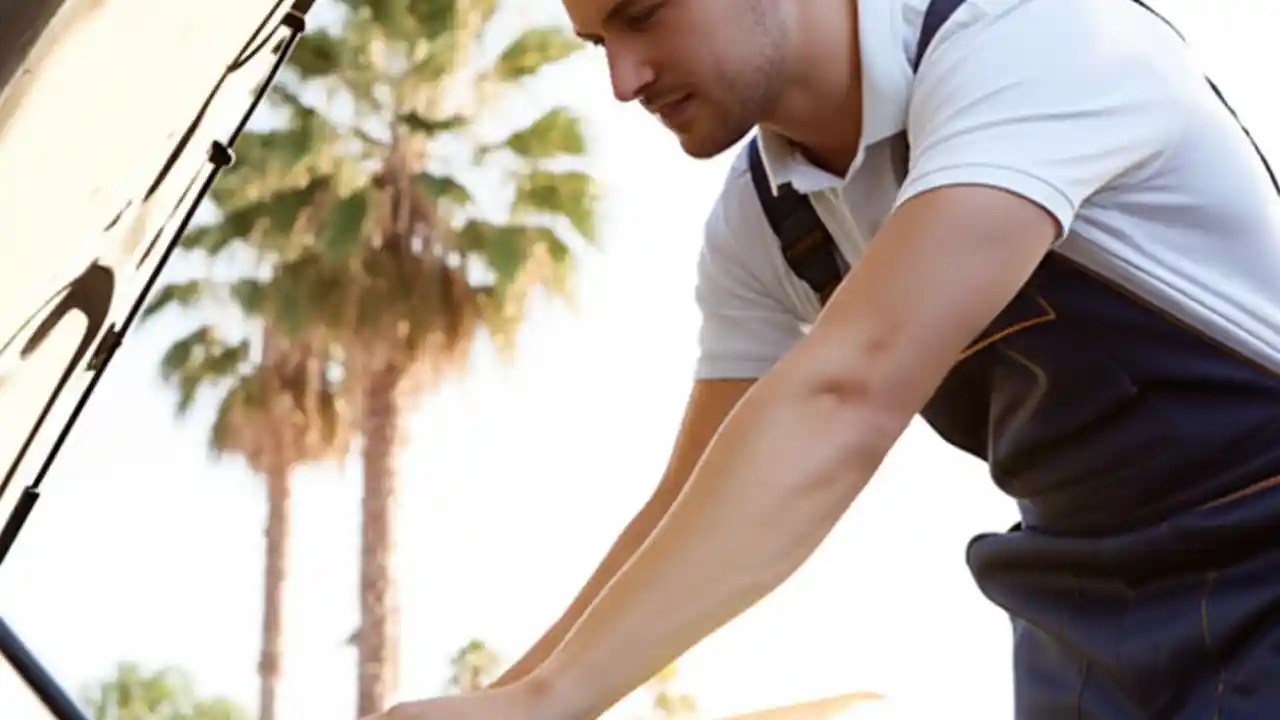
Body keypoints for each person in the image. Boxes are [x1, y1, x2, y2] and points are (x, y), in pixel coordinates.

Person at [368, 0, 1280, 717]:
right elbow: (691, 502)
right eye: (594, 39)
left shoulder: (1034, 37)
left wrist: (544, 705)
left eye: (643, 13)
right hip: (1082, 606)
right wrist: (506, 702)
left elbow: (847, 394)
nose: (622, 78)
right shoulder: (764, 224)